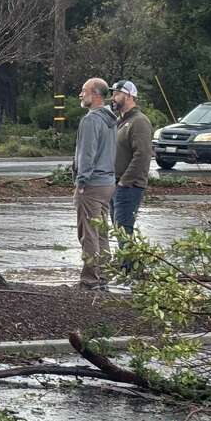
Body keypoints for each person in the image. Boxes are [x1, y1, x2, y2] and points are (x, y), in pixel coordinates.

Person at [73, 78, 116, 290]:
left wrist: (81, 181)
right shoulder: (111, 119)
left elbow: (86, 154)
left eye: (84, 90)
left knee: (88, 232)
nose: (80, 95)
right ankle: (104, 276)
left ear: (96, 94)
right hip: (108, 182)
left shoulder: (91, 120)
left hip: (92, 183)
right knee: (101, 231)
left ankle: (90, 279)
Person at [110, 80, 153, 250]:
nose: (113, 98)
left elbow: (142, 154)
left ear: (128, 96)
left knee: (124, 231)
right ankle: (127, 267)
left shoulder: (139, 121)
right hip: (115, 184)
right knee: (118, 229)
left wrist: (124, 181)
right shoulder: (120, 121)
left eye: (116, 94)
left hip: (129, 187)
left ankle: (130, 271)